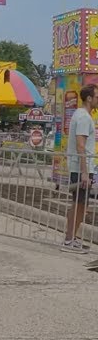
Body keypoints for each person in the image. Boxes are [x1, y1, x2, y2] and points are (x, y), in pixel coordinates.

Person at [62, 84, 98, 253]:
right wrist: (84, 172)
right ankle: (68, 240)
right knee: (79, 204)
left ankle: (71, 238)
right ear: (89, 98)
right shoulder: (83, 117)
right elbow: (80, 146)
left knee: (80, 204)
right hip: (81, 168)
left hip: (82, 167)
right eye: (97, 96)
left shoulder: (81, 115)